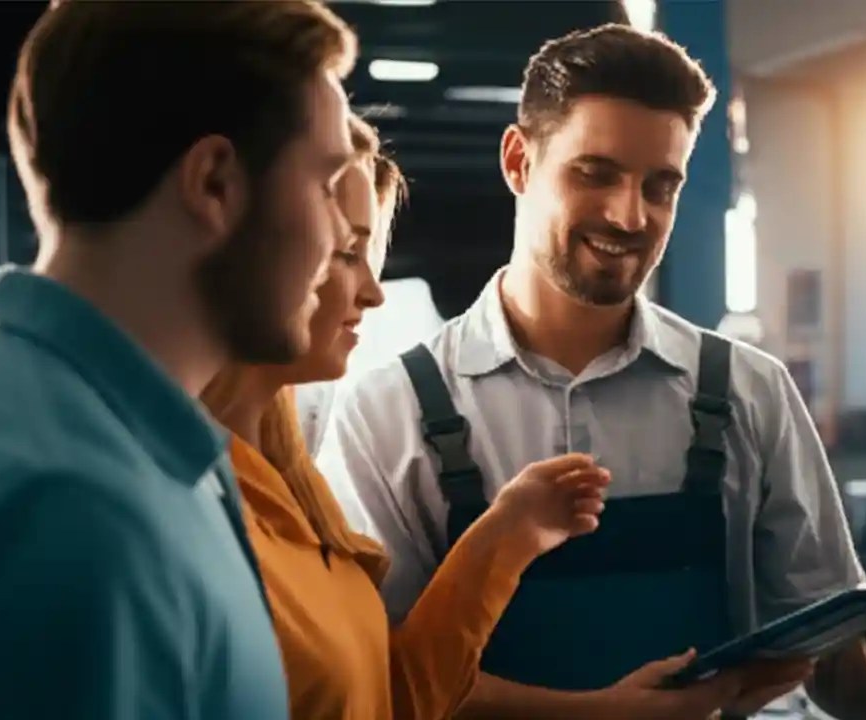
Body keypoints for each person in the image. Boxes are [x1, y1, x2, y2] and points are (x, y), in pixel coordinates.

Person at [320, 23, 866, 720]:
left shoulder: (750, 393)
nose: (629, 215)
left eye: (661, 185)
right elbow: (382, 684)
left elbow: (841, 686)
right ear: (518, 161)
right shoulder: (390, 413)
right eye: (594, 173)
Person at [0, 2, 358, 718]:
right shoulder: (64, 514)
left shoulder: (125, 444)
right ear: (213, 182)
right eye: (325, 185)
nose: (339, 233)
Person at [202, 117, 615, 720]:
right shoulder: (186, 498)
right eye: (346, 253)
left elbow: (387, 700)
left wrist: (504, 538)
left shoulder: (288, 482)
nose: (374, 292)